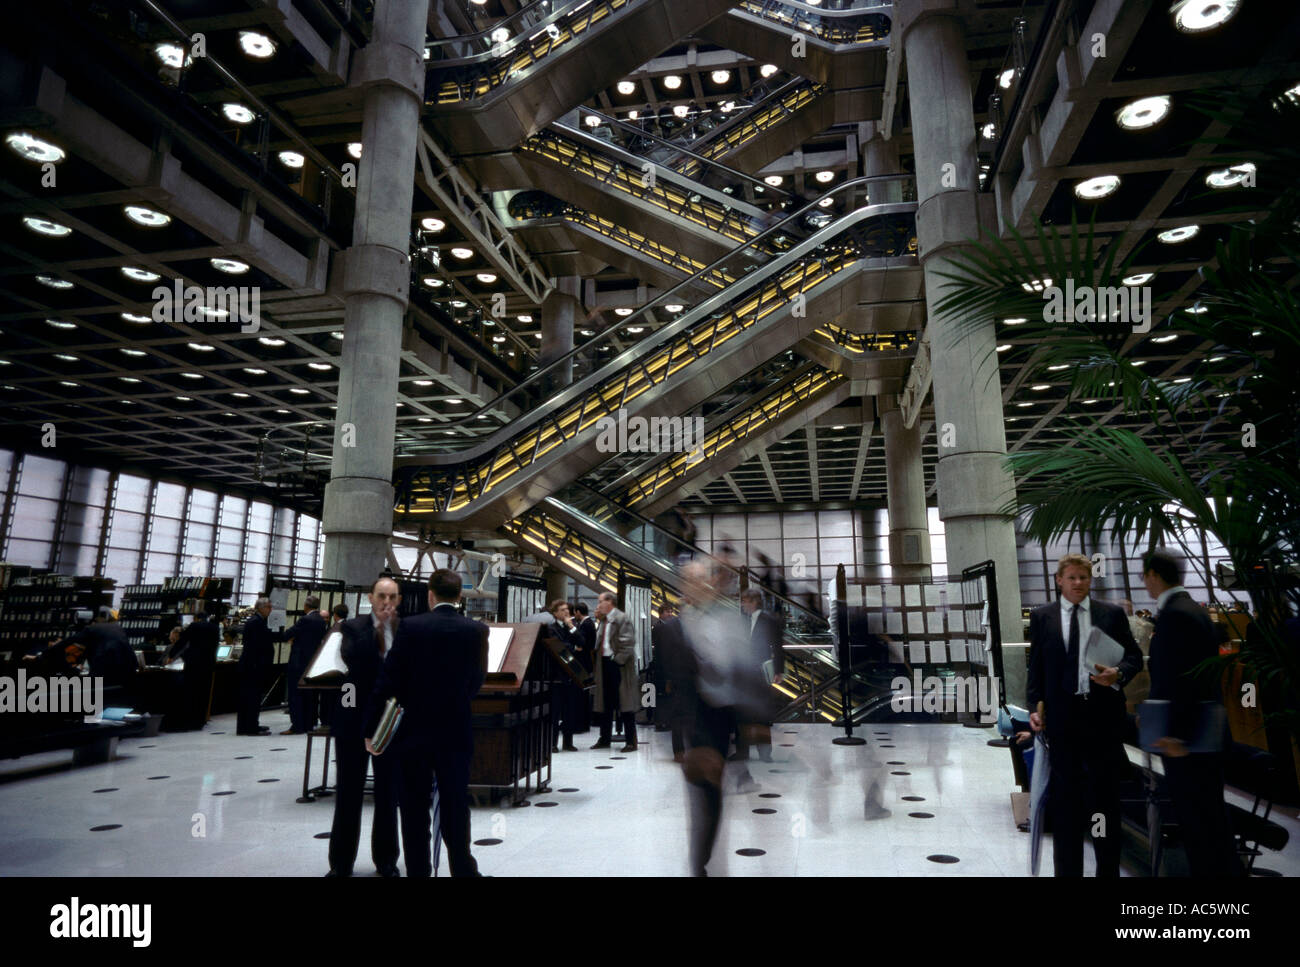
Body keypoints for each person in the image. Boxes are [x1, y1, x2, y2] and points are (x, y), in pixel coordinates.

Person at [1027, 553, 1143, 877]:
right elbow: (1036, 668)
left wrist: (1118, 673)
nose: (1079, 584)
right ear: (1059, 581)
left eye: (1084, 578)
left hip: (1102, 720)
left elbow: (1134, 657)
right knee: (1065, 803)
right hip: (1062, 723)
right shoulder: (1043, 618)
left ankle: (1107, 870)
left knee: (1104, 800)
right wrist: (1034, 707)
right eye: (1073, 578)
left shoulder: (1111, 614)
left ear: (1091, 581)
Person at [367, 569, 487, 878]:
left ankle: (418, 871)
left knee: (413, 807)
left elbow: (388, 680)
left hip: (414, 733)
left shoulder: (411, 627)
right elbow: (476, 681)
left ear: (430, 595)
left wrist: (371, 729)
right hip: (455, 731)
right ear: (459, 596)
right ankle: (462, 869)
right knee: (455, 803)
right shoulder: (475, 631)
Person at [1142, 549, 1242, 877]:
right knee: (1209, 816)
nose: (1145, 582)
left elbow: (1184, 679)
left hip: (1189, 738)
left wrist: (1176, 735)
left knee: (1200, 820)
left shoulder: (1175, 615)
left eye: (1146, 575)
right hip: (1202, 731)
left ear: (1154, 575)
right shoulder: (1194, 610)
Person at [326, 578, 402, 877]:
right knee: (348, 793)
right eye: (382, 596)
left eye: (392, 597)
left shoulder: (405, 629)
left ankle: (386, 860)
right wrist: (378, 629)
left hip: (388, 722)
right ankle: (341, 864)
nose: (387, 602)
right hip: (353, 723)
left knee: (387, 794)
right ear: (370, 598)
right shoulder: (353, 627)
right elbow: (354, 659)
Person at [733, 587, 784, 762]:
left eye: (745, 601)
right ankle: (742, 751)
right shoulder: (742, 620)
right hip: (743, 673)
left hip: (760, 673)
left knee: (762, 714)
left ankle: (765, 753)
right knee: (741, 714)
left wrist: (778, 670)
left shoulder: (769, 620)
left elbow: (778, 646)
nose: (742, 604)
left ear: (754, 601)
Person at [591, 591, 639, 752]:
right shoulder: (604, 620)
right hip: (604, 664)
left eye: (600, 601)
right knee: (606, 703)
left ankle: (631, 741)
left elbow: (628, 643)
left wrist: (617, 660)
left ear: (609, 602)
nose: (598, 605)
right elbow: (600, 642)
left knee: (625, 704)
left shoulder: (622, 618)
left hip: (618, 666)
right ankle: (604, 738)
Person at [236, 598, 282, 736]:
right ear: (260, 608)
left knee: (253, 697)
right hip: (253, 667)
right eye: (268, 607)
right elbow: (259, 645)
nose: (270, 609)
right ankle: (249, 727)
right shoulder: (256, 623)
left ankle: (251, 724)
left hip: (253, 665)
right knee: (252, 697)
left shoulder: (258, 621)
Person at [282, 595, 327, 734]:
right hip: (312, 661)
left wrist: (292, 639)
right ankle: (309, 722)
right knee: (309, 695)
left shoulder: (305, 619)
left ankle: (297, 725)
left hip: (299, 662)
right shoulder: (321, 620)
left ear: (306, 606)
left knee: (295, 695)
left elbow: (288, 634)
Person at [545, 600, 583, 752]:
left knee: (569, 710)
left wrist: (572, 627)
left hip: (572, 673)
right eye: (562, 610)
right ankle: (553, 743)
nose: (566, 612)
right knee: (555, 711)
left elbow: (582, 641)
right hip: (557, 674)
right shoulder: (551, 628)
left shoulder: (571, 627)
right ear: (555, 613)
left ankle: (568, 742)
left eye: (567, 609)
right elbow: (559, 646)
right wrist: (573, 647)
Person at [172, 613, 219, 731]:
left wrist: (172, 654)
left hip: (194, 663)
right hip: (208, 663)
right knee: (204, 693)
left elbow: (182, 641)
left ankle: (189, 720)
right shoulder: (214, 627)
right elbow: (215, 644)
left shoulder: (194, 626)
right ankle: (200, 721)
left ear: (196, 618)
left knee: (191, 692)